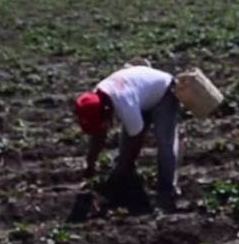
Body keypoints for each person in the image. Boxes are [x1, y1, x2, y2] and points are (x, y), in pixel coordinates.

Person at [74, 65, 181, 210]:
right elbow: (99, 135)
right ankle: (128, 182)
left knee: (165, 142)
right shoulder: (95, 100)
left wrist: (120, 171)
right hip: (141, 92)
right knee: (125, 146)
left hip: (164, 92)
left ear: (106, 111)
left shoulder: (125, 105)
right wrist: (90, 164)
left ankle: (167, 191)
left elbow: (136, 140)